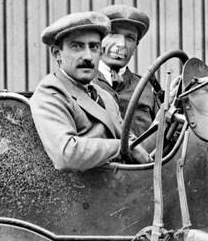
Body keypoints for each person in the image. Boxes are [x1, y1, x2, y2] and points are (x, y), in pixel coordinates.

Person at [31, 11, 149, 170]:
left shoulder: (105, 97)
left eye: (93, 47)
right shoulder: (51, 92)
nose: (88, 56)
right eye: (77, 46)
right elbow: (66, 155)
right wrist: (123, 147)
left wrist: (164, 119)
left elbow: (135, 145)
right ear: (57, 53)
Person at [96, 4, 156, 138]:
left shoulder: (147, 87)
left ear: (136, 46)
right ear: (97, 41)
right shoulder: (81, 83)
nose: (121, 45)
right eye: (113, 34)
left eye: (130, 38)